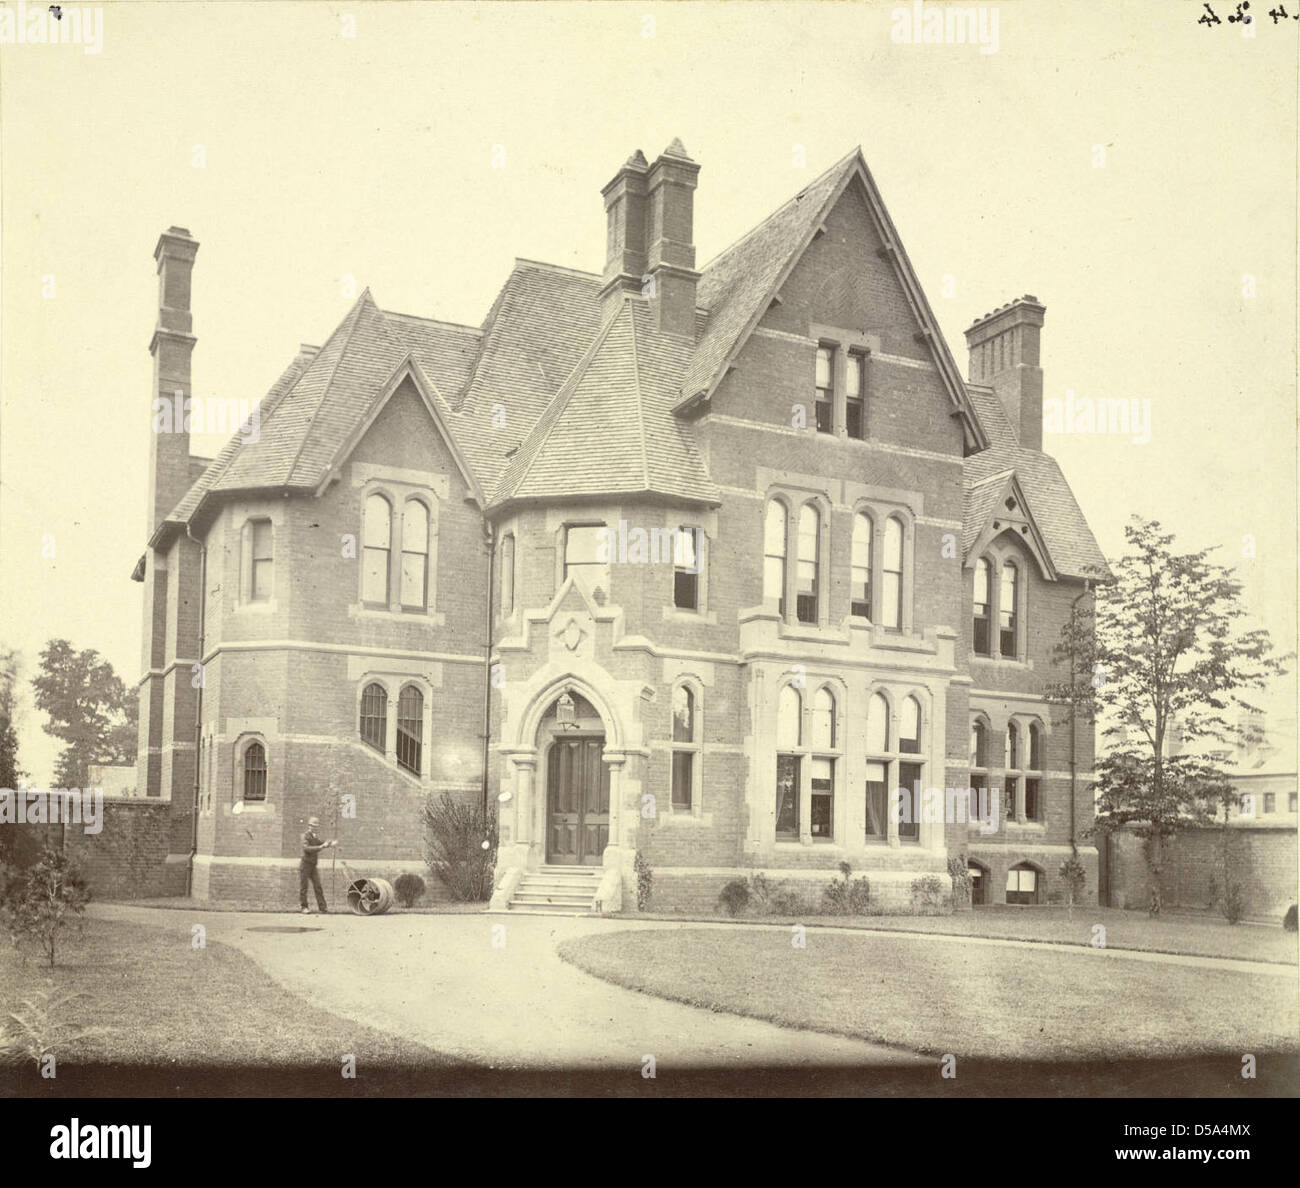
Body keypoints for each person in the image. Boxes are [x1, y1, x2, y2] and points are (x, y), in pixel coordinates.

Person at [299, 816, 337, 913]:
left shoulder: (314, 837)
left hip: (313, 866)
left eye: (315, 826)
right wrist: (321, 846)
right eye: (312, 826)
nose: (314, 828)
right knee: (304, 887)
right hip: (305, 865)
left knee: (318, 886)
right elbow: (307, 848)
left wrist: (330, 843)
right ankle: (304, 907)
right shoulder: (305, 836)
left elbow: (322, 843)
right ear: (309, 826)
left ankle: (323, 908)